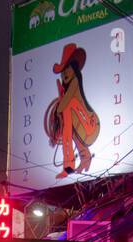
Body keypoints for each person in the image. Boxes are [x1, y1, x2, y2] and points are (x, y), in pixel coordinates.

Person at [46, 42, 99, 179]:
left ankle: (76, 163)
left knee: (71, 132)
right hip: (77, 125)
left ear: (74, 68)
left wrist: (58, 110)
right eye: (62, 71)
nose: (64, 73)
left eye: (67, 68)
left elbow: (64, 103)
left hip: (88, 123)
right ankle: (78, 163)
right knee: (70, 136)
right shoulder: (65, 88)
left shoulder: (75, 82)